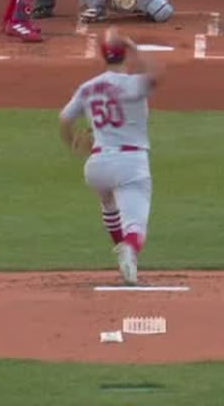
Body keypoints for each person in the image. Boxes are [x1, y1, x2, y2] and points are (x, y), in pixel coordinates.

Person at [57, 24, 162, 287]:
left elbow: (64, 119)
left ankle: (124, 256)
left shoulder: (88, 87)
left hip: (97, 165)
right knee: (136, 227)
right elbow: (156, 74)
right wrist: (134, 46)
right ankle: (129, 250)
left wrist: (72, 144)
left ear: (103, 56)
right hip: (131, 164)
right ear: (124, 55)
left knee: (109, 205)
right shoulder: (134, 85)